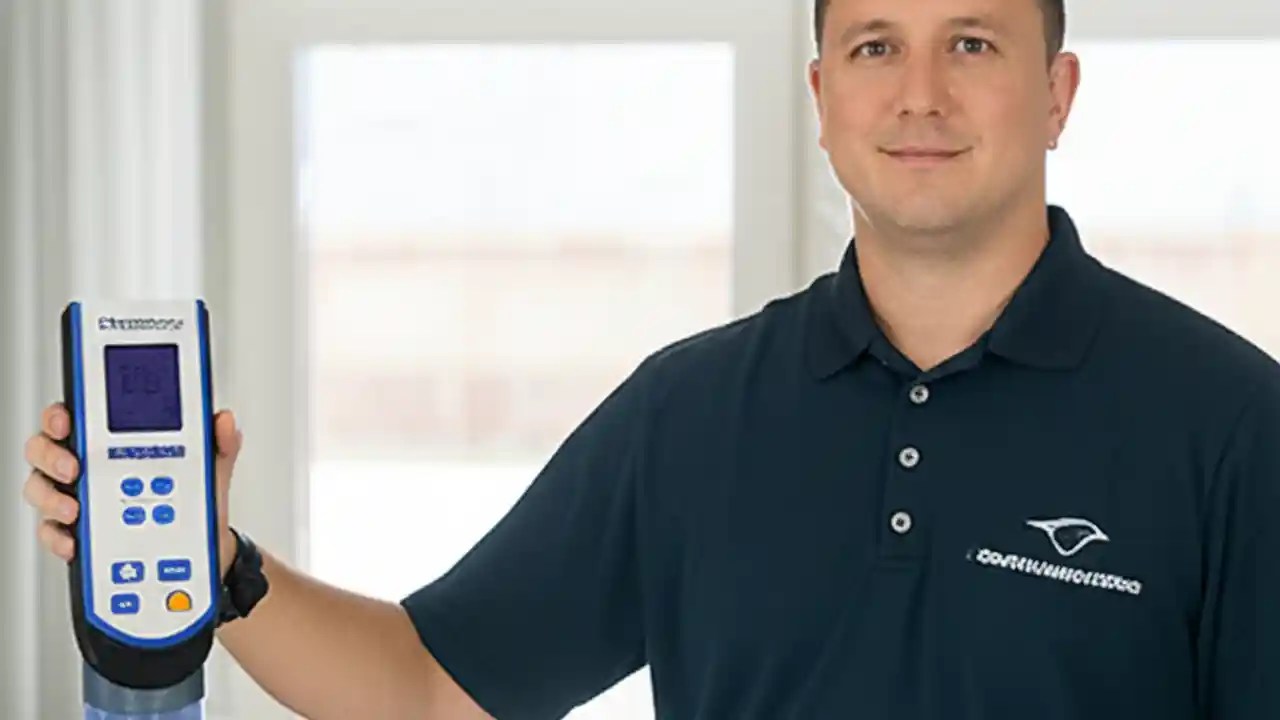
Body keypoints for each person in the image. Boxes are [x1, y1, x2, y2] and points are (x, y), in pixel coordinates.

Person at [21, 0, 1280, 717]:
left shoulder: (1227, 424)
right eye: (873, 45)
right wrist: (218, 563)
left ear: (1055, 92)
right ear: (821, 93)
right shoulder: (688, 417)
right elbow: (425, 690)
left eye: (970, 42)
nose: (917, 96)